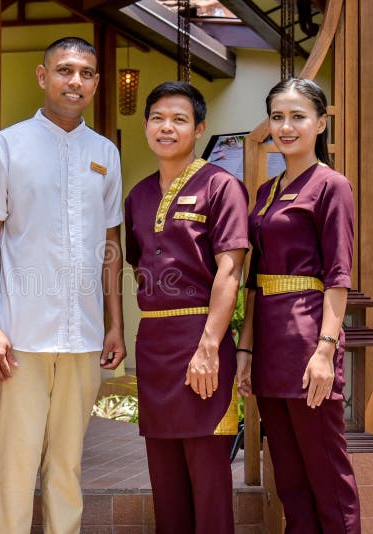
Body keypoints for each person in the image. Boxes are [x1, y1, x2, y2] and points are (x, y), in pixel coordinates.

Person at [0, 37, 126, 534]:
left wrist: (115, 326)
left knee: (68, 466)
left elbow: (111, 246)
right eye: (64, 70)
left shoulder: (105, 153)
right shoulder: (6, 146)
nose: (74, 81)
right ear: (43, 77)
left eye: (85, 73)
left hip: (83, 337)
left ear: (96, 83)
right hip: (21, 338)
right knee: (16, 467)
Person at [236, 77, 361, 533]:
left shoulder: (333, 186)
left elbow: (338, 276)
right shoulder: (265, 192)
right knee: (289, 477)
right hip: (269, 345)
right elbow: (253, 281)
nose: (286, 126)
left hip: (310, 342)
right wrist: (245, 352)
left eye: (298, 116)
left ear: (321, 122)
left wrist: (326, 351)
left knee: (327, 475)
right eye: (277, 117)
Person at [124, 81, 249, 533]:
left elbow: (229, 272)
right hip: (154, 347)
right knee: (165, 479)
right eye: (157, 118)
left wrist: (210, 346)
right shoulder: (137, 196)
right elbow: (139, 267)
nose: (166, 127)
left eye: (179, 119)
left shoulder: (222, 186)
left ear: (199, 129)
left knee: (208, 477)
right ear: (145, 126)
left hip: (203, 344)